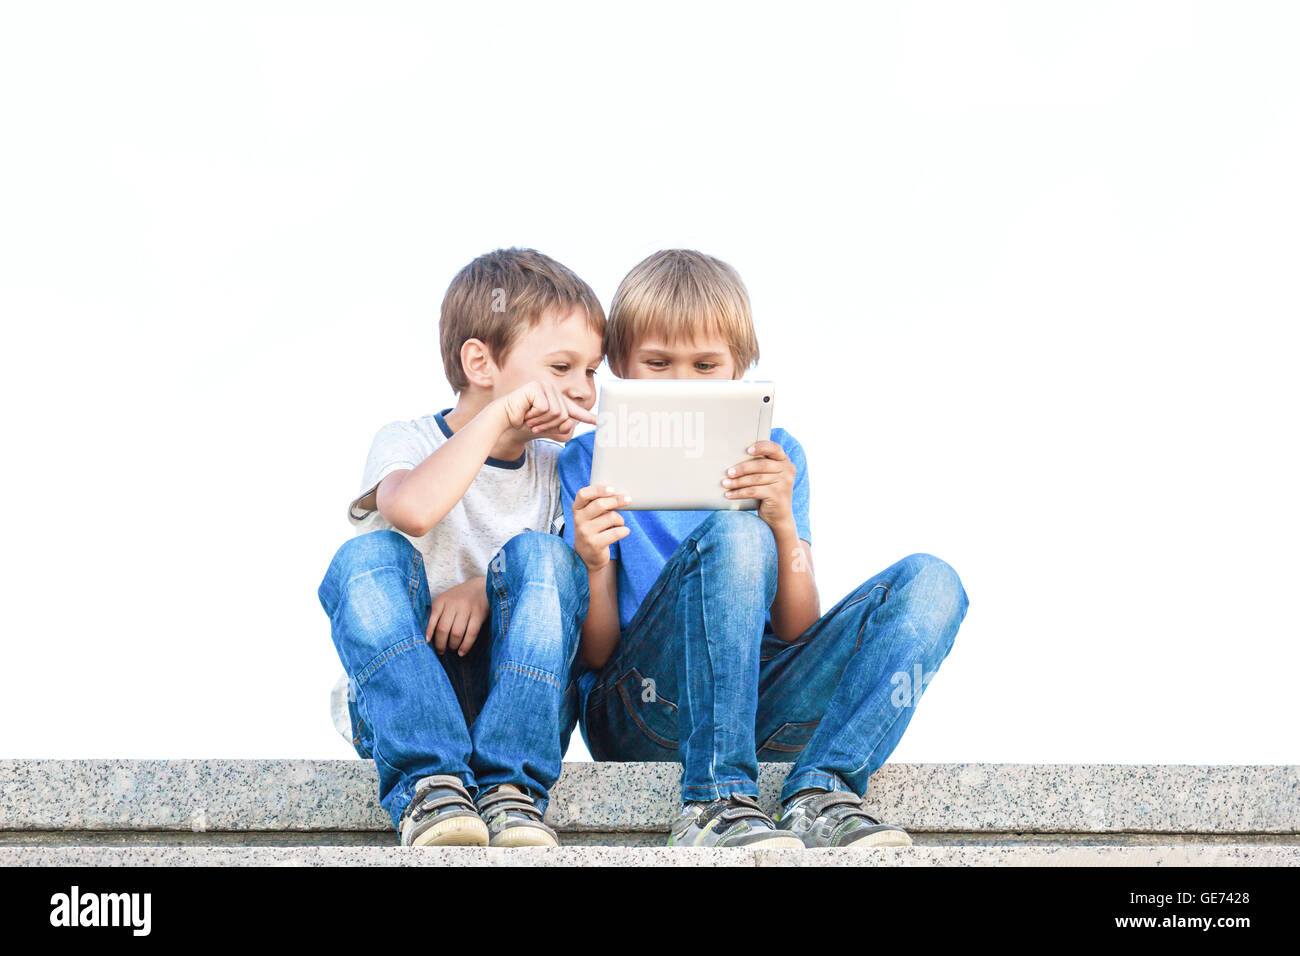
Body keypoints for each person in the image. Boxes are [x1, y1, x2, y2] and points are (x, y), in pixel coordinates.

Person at [560, 249, 969, 848]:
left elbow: (798, 623)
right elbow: (595, 655)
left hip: (761, 705)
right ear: (619, 365)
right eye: (657, 363)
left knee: (934, 580)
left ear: (740, 367)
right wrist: (594, 563)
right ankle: (715, 801)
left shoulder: (776, 456)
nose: (682, 384)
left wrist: (780, 522)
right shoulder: (586, 460)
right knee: (734, 534)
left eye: (705, 365)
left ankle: (821, 787)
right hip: (643, 709)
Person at [318, 247, 603, 846]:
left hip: (522, 698)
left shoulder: (562, 467)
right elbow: (414, 510)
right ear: (480, 362)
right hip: (406, 701)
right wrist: (499, 418)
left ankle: (511, 791)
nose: (582, 389)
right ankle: (431, 784)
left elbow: (567, 598)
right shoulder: (407, 438)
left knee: (548, 558)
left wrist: (480, 587)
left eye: (592, 371)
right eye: (561, 367)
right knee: (362, 562)